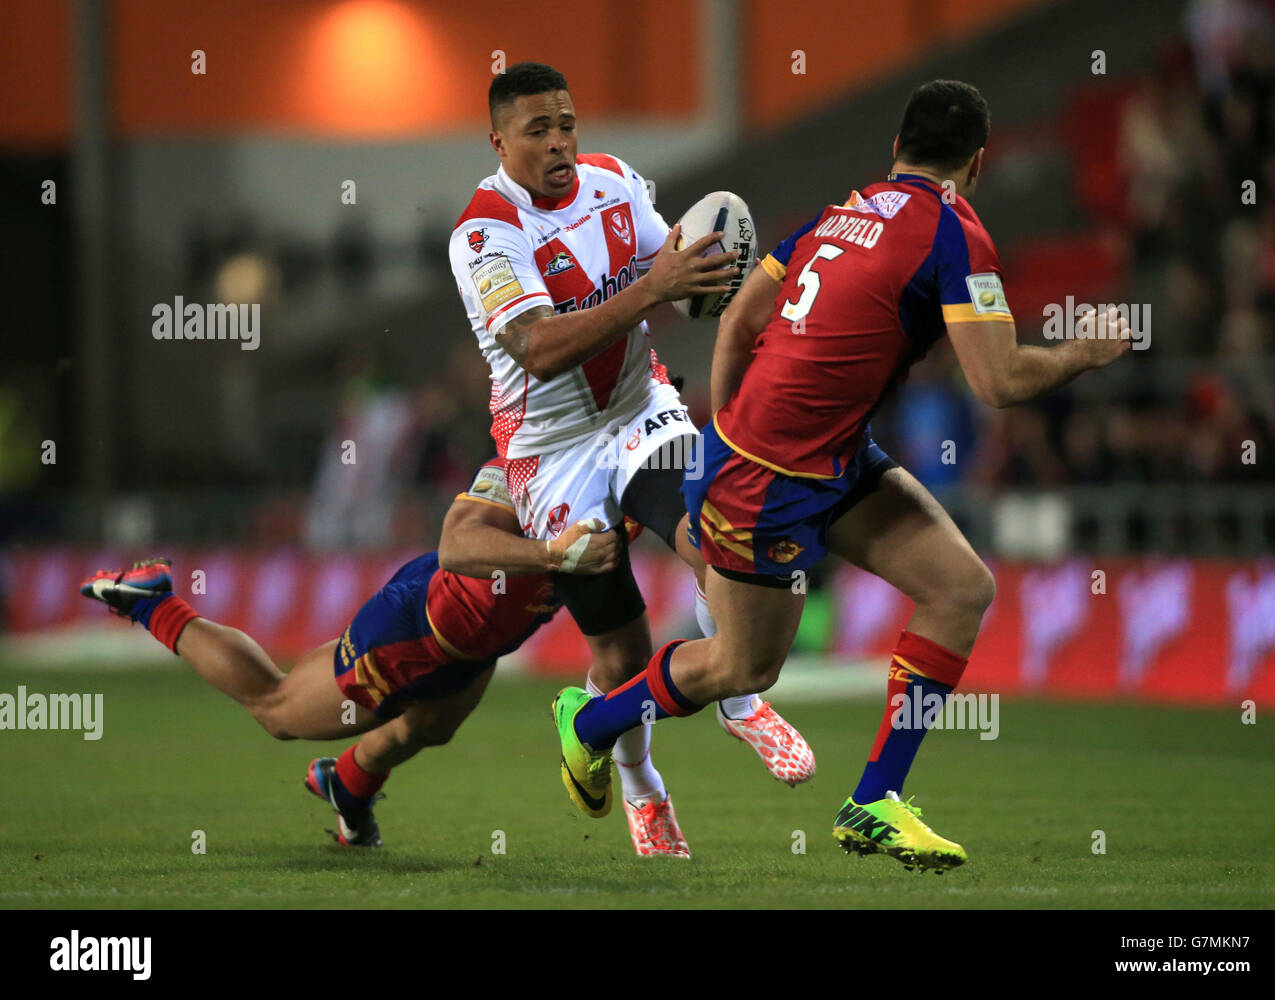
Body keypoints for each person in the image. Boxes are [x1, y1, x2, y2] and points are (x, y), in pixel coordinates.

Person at [551, 80, 1134, 872]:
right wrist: (1084, 354)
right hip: (768, 481)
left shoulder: (839, 214)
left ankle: (875, 802)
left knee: (961, 589)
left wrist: (726, 429)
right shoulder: (955, 232)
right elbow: (997, 383)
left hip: (818, 456)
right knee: (741, 669)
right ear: (979, 162)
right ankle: (589, 725)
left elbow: (742, 318)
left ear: (896, 147)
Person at [448, 62, 816, 832]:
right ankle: (646, 791)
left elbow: (684, 280)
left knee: (714, 536)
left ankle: (742, 699)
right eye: (537, 130)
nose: (559, 143)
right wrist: (653, 287)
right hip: (550, 452)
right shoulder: (485, 234)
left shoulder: (616, 182)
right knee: (620, 655)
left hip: (641, 409)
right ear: (498, 141)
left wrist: (739, 285)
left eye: (567, 124)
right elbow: (539, 348)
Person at [78, 458, 634, 850]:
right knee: (279, 709)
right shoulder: (524, 466)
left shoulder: (622, 485)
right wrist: (552, 554)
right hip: (414, 633)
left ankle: (346, 783)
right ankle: (154, 604)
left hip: (473, 649)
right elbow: (457, 545)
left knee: (427, 729)